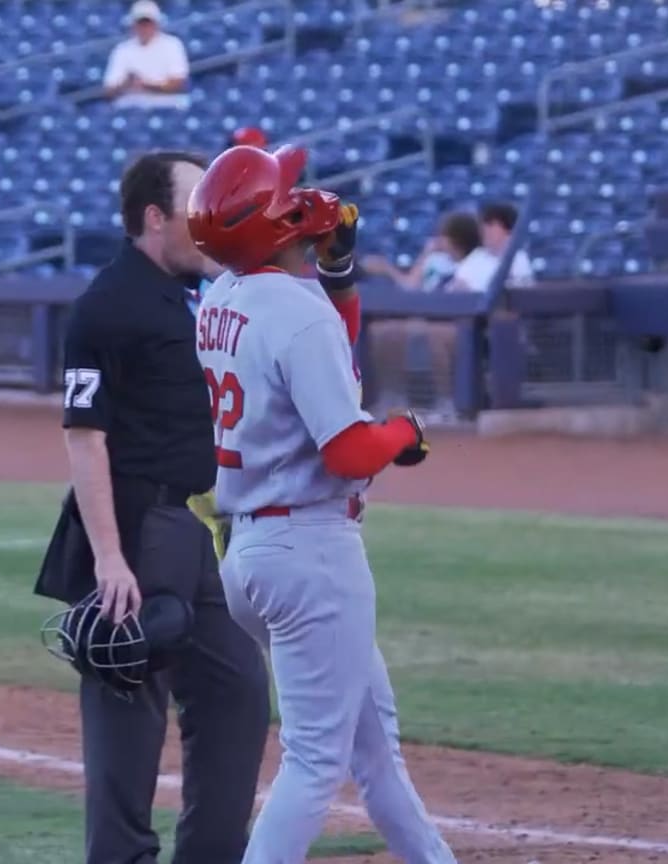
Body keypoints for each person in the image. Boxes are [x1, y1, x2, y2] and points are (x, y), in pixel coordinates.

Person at [187, 144, 460, 864]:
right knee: (313, 765)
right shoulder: (294, 311)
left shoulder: (220, 297)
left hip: (255, 548)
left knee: (374, 755)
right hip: (309, 552)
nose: (302, 195)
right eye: (287, 192)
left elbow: (320, 353)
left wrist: (332, 267)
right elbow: (346, 450)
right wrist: (405, 431)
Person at [33, 151, 270, 864]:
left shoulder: (198, 296)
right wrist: (108, 557)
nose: (210, 218)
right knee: (127, 707)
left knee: (237, 692)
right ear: (154, 217)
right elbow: (84, 438)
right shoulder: (107, 307)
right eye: (195, 205)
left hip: (195, 529)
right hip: (137, 530)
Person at [363, 212, 498, 420]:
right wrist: (414, 260)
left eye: (442, 236)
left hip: (466, 327)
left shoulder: (479, 262)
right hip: (427, 319)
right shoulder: (436, 260)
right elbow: (411, 288)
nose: (437, 241)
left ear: (456, 239)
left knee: (434, 335)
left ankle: (447, 403)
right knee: (383, 332)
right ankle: (393, 397)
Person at [103, 1, 191, 110]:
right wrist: (126, 83)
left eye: (148, 22)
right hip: (133, 105)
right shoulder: (122, 50)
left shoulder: (172, 45)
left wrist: (146, 85)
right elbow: (109, 90)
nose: (144, 27)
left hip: (167, 102)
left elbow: (178, 83)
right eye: (140, 23)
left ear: (156, 24)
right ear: (133, 25)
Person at [478, 201, 535, 287]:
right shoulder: (476, 257)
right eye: (484, 224)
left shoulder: (519, 260)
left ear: (508, 230)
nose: (485, 230)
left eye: (490, 225)